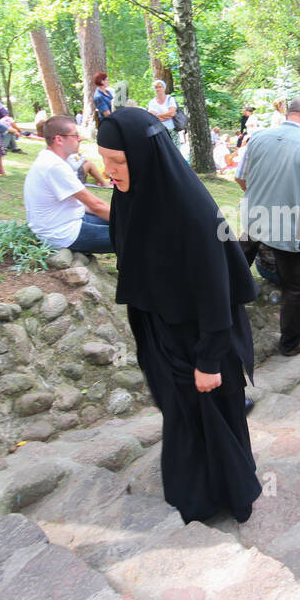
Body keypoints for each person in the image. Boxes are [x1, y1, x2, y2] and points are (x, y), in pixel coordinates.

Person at [96, 107, 262, 524]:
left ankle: (227, 492)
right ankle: (195, 489)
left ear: (145, 156)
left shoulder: (189, 209)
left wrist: (209, 359)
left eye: (118, 161)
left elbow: (214, 290)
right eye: (104, 159)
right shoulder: (129, 198)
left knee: (210, 412)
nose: (109, 171)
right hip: (159, 326)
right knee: (181, 412)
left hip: (203, 334)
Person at [235, 95, 300, 357]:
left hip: (254, 218)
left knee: (233, 270)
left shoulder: (258, 137)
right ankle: (291, 342)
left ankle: (215, 316)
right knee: (294, 287)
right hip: (288, 226)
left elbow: (240, 178)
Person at [24, 116, 114, 254]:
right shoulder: (54, 166)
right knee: (136, 235)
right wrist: (128, 221)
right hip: (62, 233)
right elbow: (96, 205)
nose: (80, 139)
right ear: (59, 139)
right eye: (75, 135)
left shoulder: (49, 158)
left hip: (69, 220)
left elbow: (87, 205)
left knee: (123, 225)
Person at [147, 79, 180, 146]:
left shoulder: (170, 99)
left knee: (175, 150)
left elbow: (172, 113)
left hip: (171, 129)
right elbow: (152, 117)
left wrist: (158, 116)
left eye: (160, 87)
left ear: (164, 88)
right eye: (156, 87)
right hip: (159, 131)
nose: (158, 89)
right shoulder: (152, 102)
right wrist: (167, 115)